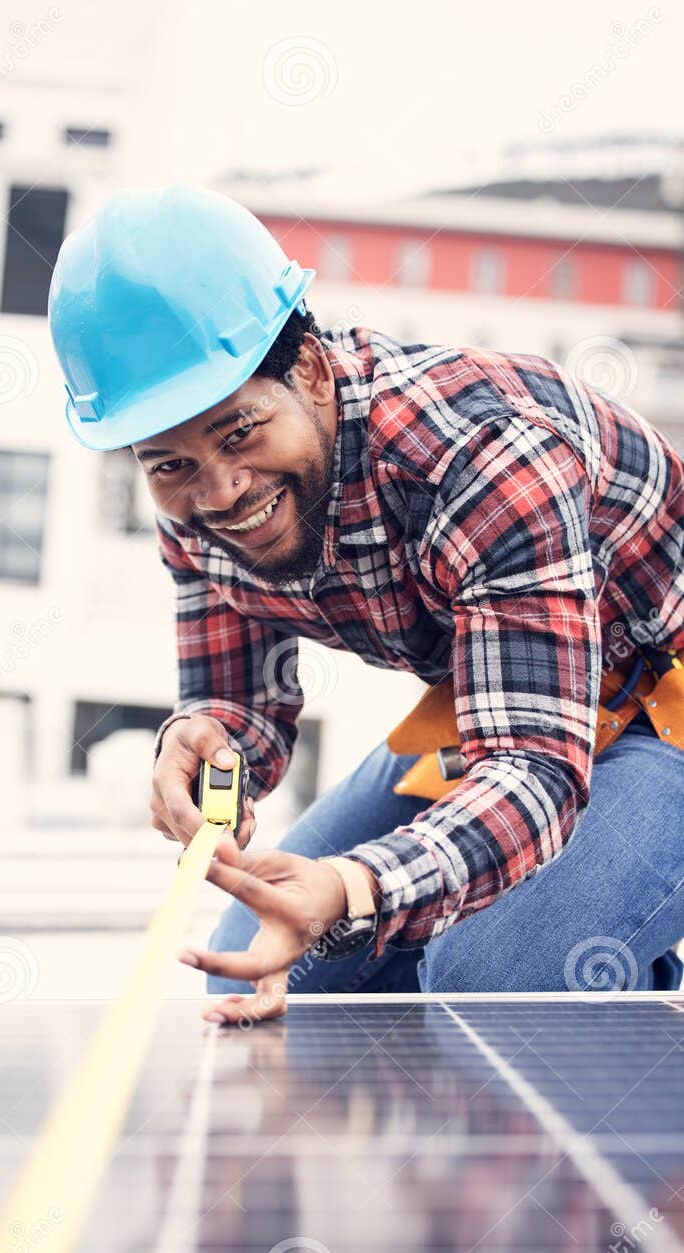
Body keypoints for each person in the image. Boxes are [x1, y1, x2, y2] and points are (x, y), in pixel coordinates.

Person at [48, 186, 684, 1018]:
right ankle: (446, 1112)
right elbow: (241, 704)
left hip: (663, 701)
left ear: (308, 369)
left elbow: (533, 771)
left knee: (495, 979)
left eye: (240, 433)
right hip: (509, 703)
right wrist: (210, 743)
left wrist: (352, 886)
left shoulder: (479, 454)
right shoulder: (194, 509)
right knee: (256, 958)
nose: (223, 492)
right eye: (169, 463)